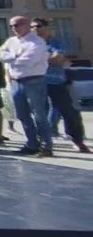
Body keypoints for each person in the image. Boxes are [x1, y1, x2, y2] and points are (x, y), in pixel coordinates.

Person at [0, 15, 53, 157]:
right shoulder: (11, 41)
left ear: (26, 25)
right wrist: (14, 57)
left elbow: (29, 60)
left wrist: (11, 59)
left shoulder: (37, 42)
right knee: (22, 115)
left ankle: (46, 146)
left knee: (39, 114)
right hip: (16, 81)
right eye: (12, 26)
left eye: (17, 25)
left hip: (34, 80)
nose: (14, 28)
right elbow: (0, 54)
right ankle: (32, 144)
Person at [32, 18, 90, 153]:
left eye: (38, 26)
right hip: (35, 82)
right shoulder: (30, 43)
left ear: (46, 27)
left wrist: (38, 57)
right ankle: (42, 142)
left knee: (70, 111)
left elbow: (58, 58)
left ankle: (77, 140)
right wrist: (46, 57)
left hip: (55, 82)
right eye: (32, 27)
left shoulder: (56, 42)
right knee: (39, 114)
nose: (35, 29)